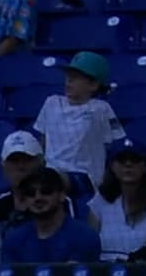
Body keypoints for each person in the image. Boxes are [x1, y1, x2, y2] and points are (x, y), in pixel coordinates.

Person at [32, 51, 124, 192]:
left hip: (85, 176)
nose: (68, 81)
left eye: (75, 77)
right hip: (49, 174)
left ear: (93, 84)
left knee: (49, 182)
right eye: (68, 76)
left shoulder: (101, 109)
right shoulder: (51, 103)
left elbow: (115, 145)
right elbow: (43, 141)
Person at [0, 166, 100, 262]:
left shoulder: (83, 235)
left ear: (62, 195)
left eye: (46, 191)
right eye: (31, 193)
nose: (38, 197)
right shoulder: (13, 240)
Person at [91, 139, 146, 262]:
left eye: (135, 159)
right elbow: (90, 246)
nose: (128, 164)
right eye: (121, 160)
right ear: (112, 166)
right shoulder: (100, 201)